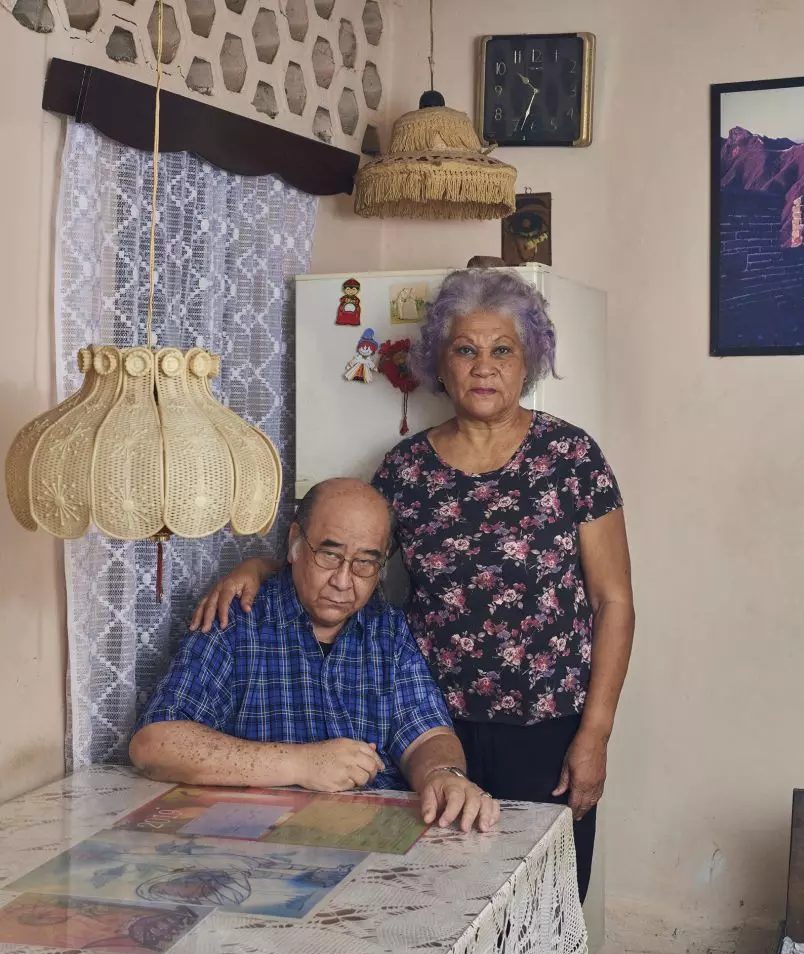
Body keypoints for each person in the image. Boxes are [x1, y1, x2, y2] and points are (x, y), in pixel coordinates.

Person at [191, 270, 635, 898]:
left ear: (528, 359)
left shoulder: (570, 457)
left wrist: (595, 733)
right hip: (427, 728)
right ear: (441, 363)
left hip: (547, 728)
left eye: (501, 349)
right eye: (466, 349)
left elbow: (613, 601)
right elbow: (345, 554)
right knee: (433, 896)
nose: (484, 366)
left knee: (547, 895)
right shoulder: (405, 468)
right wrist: (258, 567)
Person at [131, 478, 499, 835]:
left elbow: (425, 734)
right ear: (294, 544)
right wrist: (301, 762)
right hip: (259, 846)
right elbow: (155, 746)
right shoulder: (237, 620)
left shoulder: (387, 629)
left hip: (369, 843)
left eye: (364, 563)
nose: (343, 581)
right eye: (329, 554)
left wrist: (444, 775)